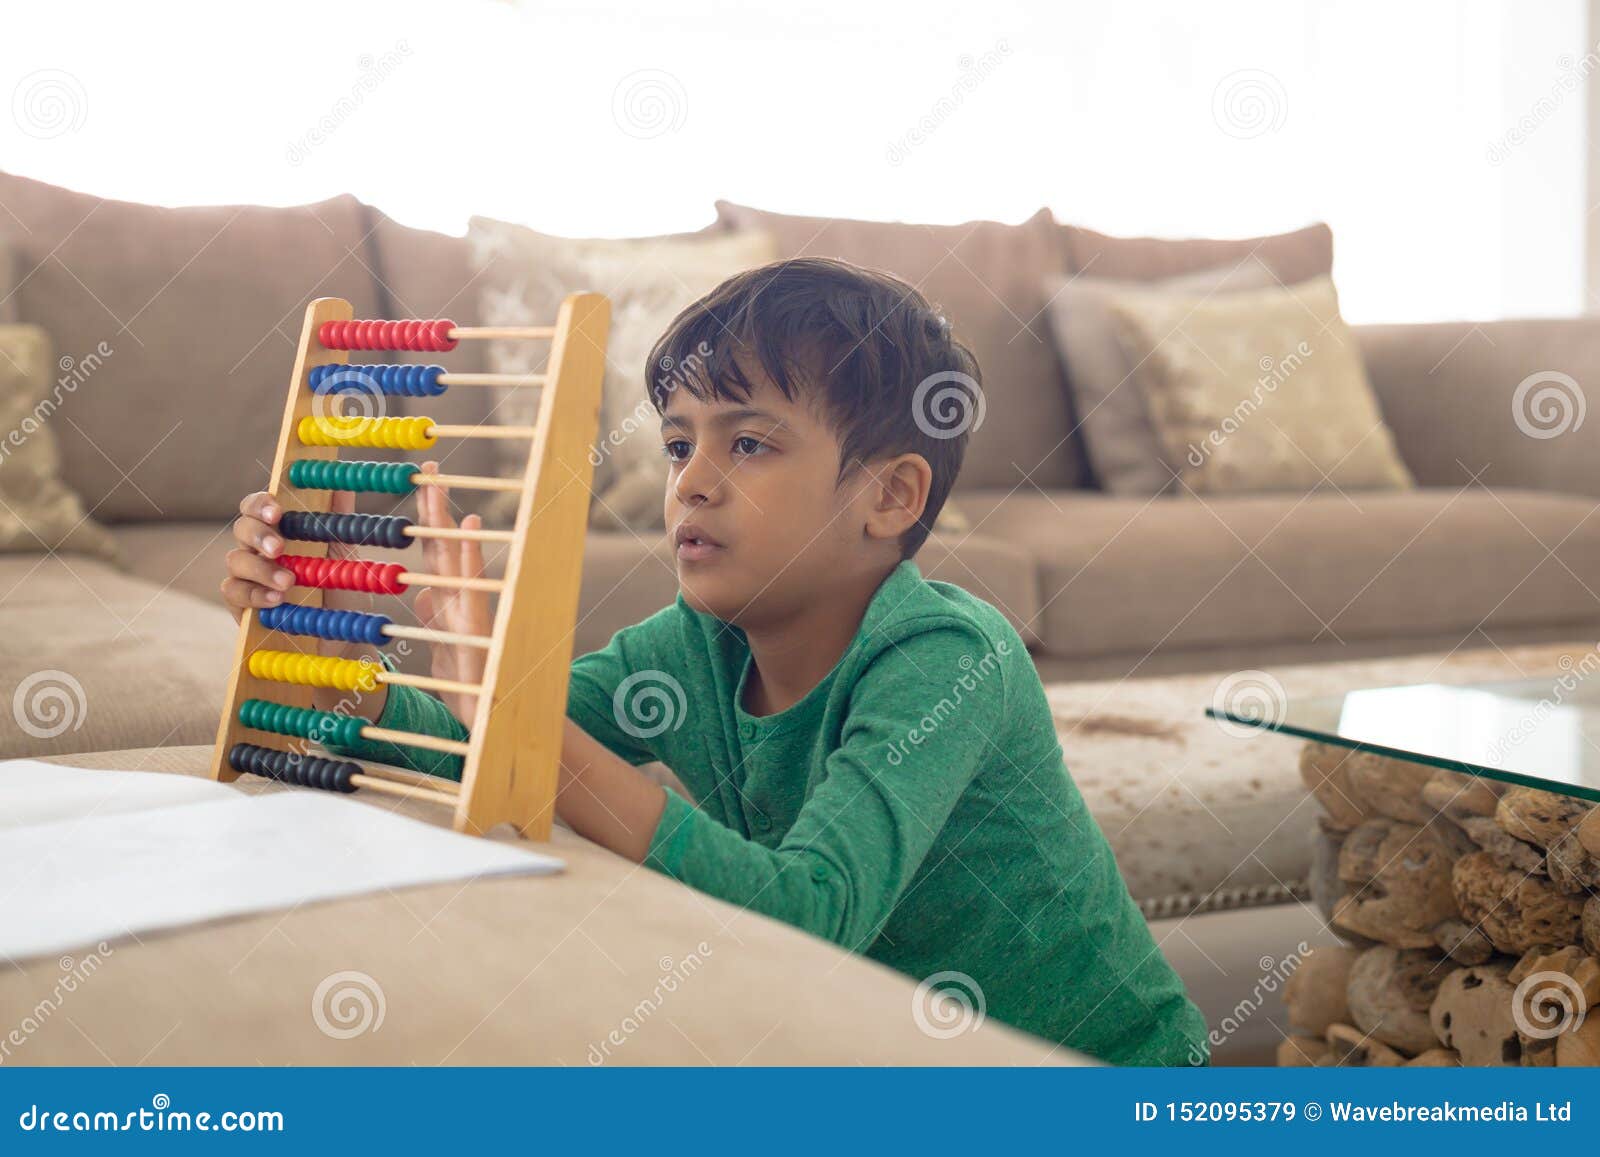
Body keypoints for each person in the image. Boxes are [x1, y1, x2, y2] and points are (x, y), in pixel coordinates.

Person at [220, 257, 1209, 1066]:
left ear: (890, 496)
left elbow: (811, 908)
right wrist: (311, 635)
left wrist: (509, 713)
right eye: (680, 443)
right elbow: (458, 741)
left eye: (748, 445)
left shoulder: (946, 657)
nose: (689, 483)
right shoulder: (686, 651)